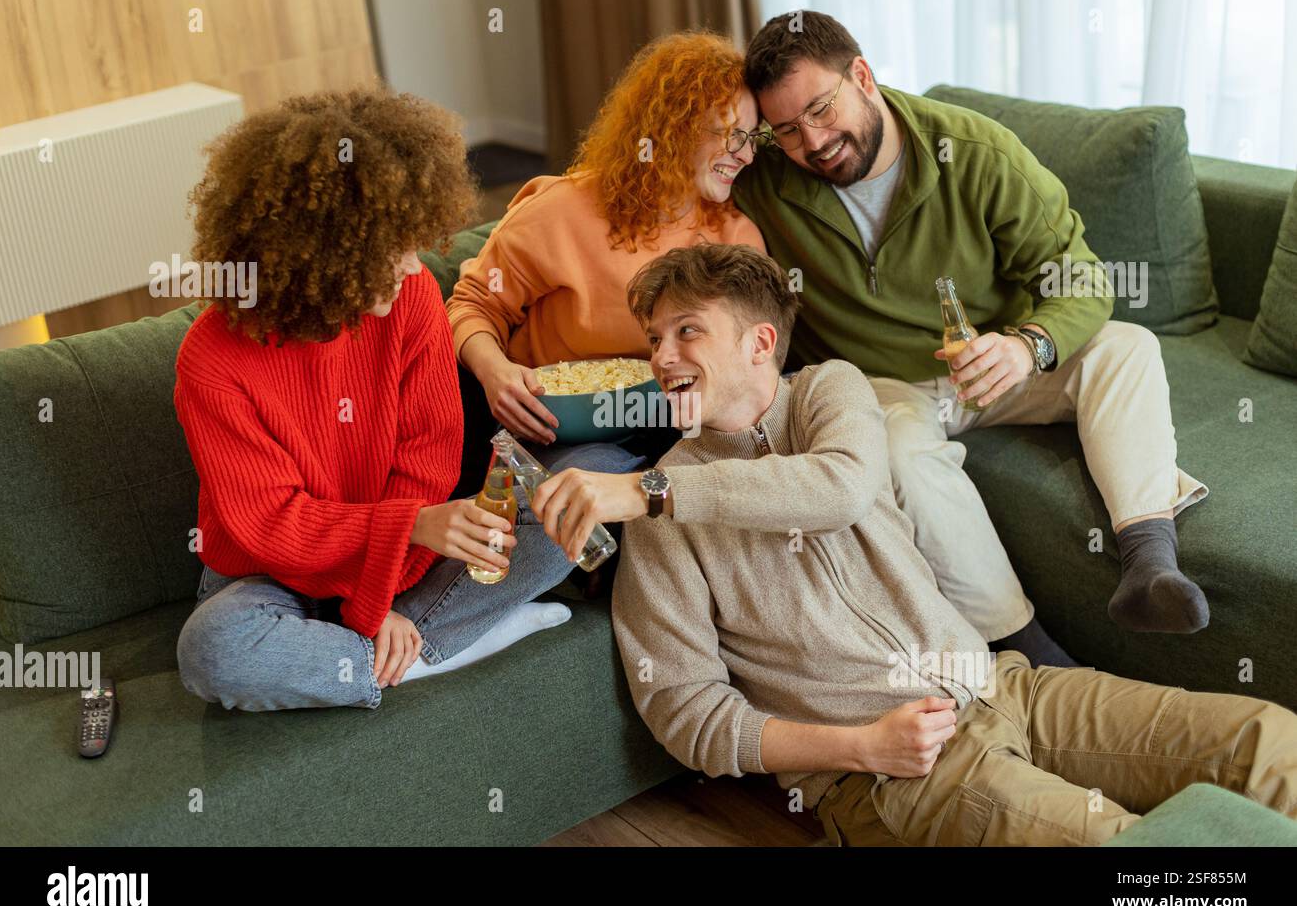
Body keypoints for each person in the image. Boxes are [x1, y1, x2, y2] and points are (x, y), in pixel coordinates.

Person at [543, 242, 1296, 846]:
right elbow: (685, 714)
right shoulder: (662, 512)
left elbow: (835, 489)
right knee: (1136, 854)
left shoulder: (828, 395)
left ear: (760, 343)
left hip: (1002, 686)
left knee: (1268, 742)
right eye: (654, 339)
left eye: (687, 331)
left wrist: (649, 494)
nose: (663, 357)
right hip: (888, 774)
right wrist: (861, 748)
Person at [732, 11, 1210, 660]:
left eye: (821, 110)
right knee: (896, 450)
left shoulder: (974, 152)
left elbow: (1081, 279)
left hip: (995, 365)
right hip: (881, 385)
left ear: (863, 76)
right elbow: (665, 180)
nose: (812, 142)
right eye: (786, 129)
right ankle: (1026, 647)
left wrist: (1027, 345)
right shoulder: (764, 177)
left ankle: (1150, 563)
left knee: (1127, 347)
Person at [173, 88, 581, 712]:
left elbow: (428, 460)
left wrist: (378, 597)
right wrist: (373, 602)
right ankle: (436, 649)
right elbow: (270, 525)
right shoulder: (211, 362)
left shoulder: (412, 295)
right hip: (269, 574)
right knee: (213, 648)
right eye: (392, 250)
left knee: (564, 522)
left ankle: (371, 656)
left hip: (403, 556)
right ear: (327, 260)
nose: (415, 266)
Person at [445, 31, 766, 471]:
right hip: (564, 429)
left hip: (680, 426)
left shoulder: (734, 237)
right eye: (732, 136)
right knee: (560, 521)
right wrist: (494, 372)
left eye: (752, 138)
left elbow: (749, 360)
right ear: (676, 127)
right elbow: (473, 304)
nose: (746, 155)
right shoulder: (559, 212)